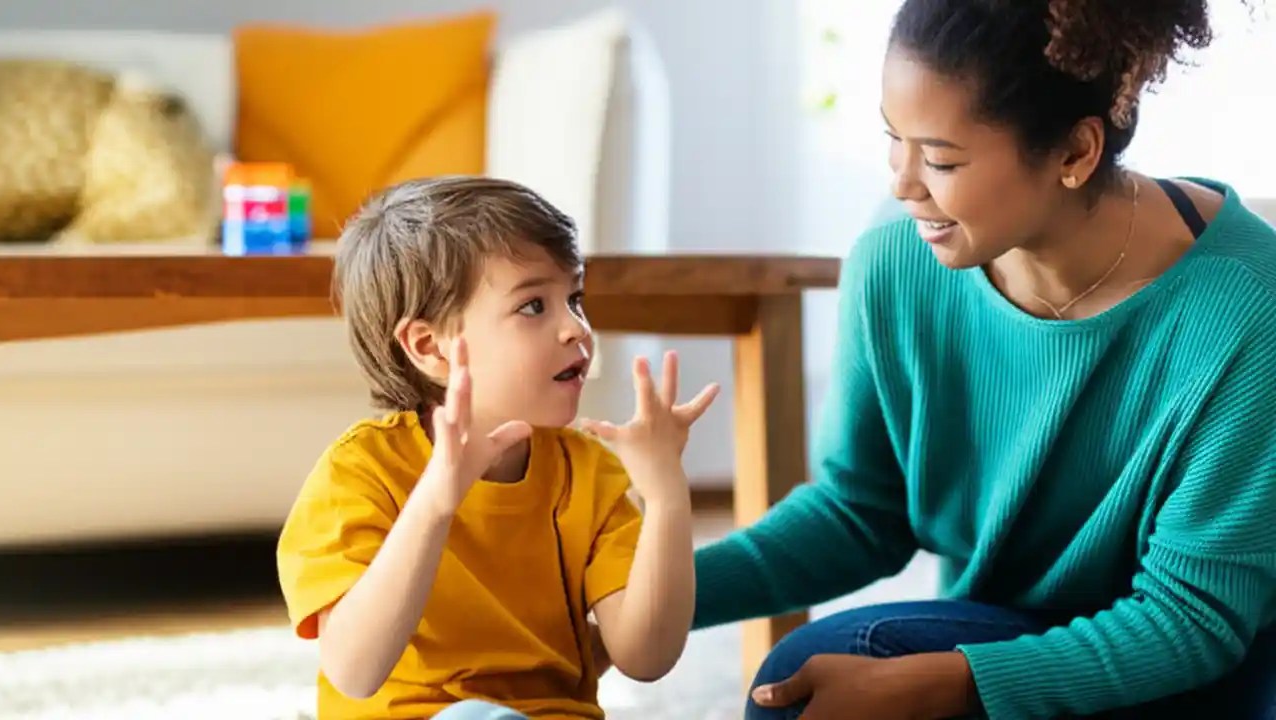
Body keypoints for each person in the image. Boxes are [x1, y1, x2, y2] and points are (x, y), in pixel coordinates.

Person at [692, 0, 1276, 718]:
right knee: (801, 689)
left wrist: (944, 683)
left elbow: (1194, 621)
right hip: (1016, 630)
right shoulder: (898, 259)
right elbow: (859, 511)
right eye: (892, 141)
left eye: (940, 159)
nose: (904, 184)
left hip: (1205, 667)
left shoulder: (1247, 310)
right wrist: (649, 594)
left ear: (1074, 154)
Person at [275, 176, 719, 719]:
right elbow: (354, 670)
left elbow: (647, 656)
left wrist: (667, 494)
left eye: (574, 298)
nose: (575, 329)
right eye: (534, 306)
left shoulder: (589, 473)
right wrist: (437, 500)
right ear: (428, 346)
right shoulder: (359, 473)